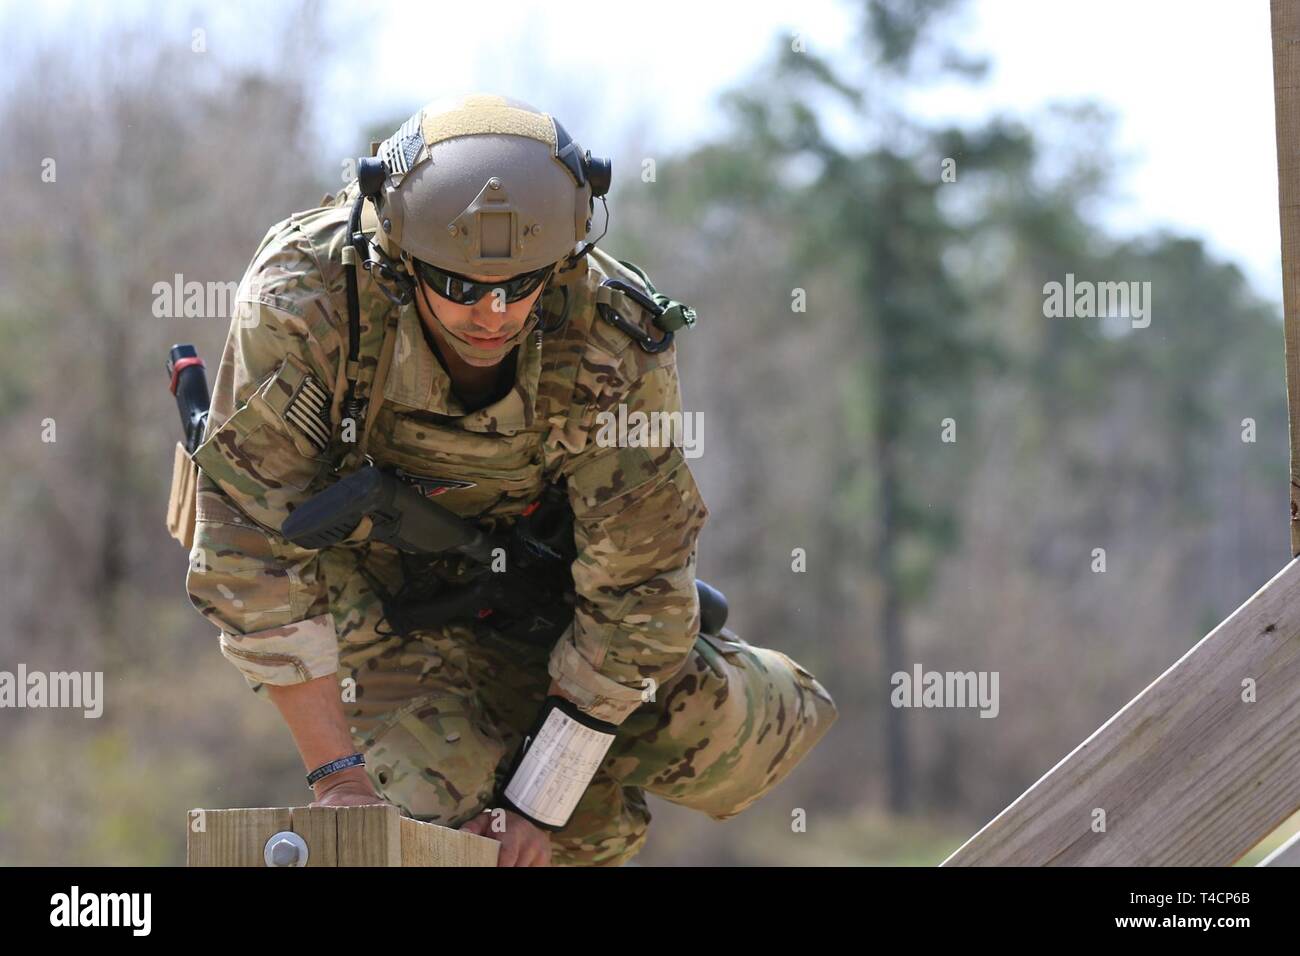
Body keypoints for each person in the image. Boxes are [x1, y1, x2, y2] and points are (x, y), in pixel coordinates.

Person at [184, 93, 837, 866]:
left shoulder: (611, 334)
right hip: (360, 581)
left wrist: (541, 799)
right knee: (420, 830)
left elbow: (639, 585)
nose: (491, 313)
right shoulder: (307, 298)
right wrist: (339, 782)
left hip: (536, 588)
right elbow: (250, 559)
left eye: (519, 283)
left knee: (747, 733)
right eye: (460, 286)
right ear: (402, 260)